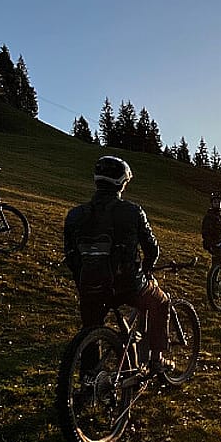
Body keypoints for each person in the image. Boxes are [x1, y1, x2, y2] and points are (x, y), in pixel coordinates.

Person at [63, 156, 171, 378]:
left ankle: (89, 378)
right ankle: (157, 360)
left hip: (91, 285)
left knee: (90, 327)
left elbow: (71, 256)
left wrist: (84, 279)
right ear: (122, 183)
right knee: (161, 302)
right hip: (128, 285)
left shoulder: (74, 215)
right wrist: (146, 269)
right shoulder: (132, 211)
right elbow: (152, 250)